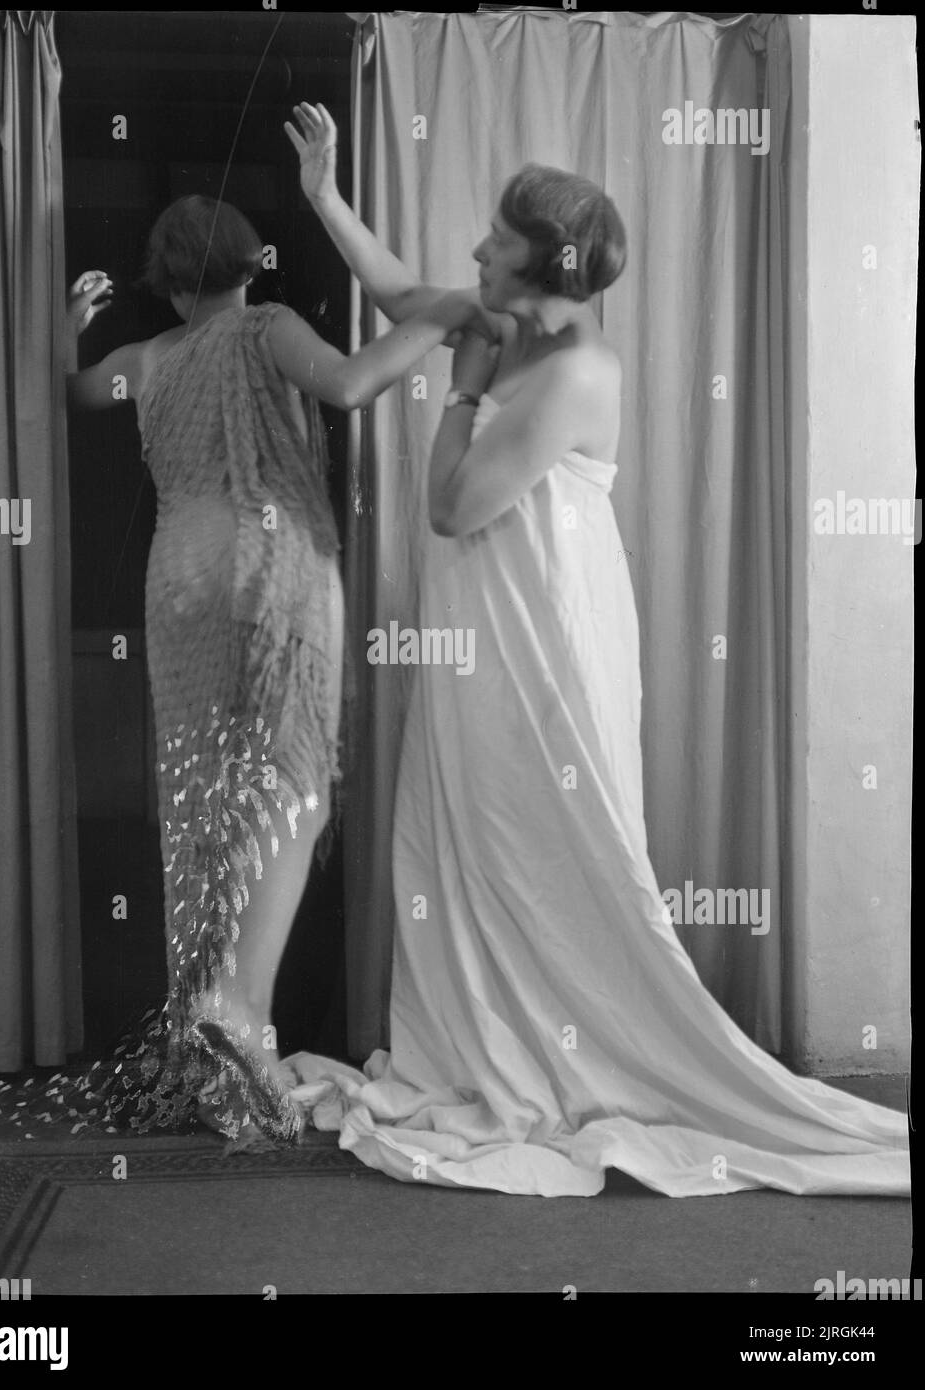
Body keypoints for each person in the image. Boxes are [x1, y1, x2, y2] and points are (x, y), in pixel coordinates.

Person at [279, 103, 911, 1196]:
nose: (476, 251)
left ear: (548, 264)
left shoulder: (573, 371)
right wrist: (327, 194)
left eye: (498, 240)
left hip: (546, 641)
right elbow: (395, 294)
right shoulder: (495, 310)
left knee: (555, 837)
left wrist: (463, 388)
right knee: (470, 835)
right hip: (480, 634)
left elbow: (452, 506)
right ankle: (478, 1042)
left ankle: (579, 1052)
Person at [59, 193, 494, 1146]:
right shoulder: (268, 327)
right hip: (274, 567)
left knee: (200, 797)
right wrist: (443, 316)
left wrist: (65, 332)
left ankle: (204, 1019)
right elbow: (349, 385)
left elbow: (74, 390)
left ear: (170, 284)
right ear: (249, 266)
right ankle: (240, 1017)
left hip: (178, 581)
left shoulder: (144, 360)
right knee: (289, 785)